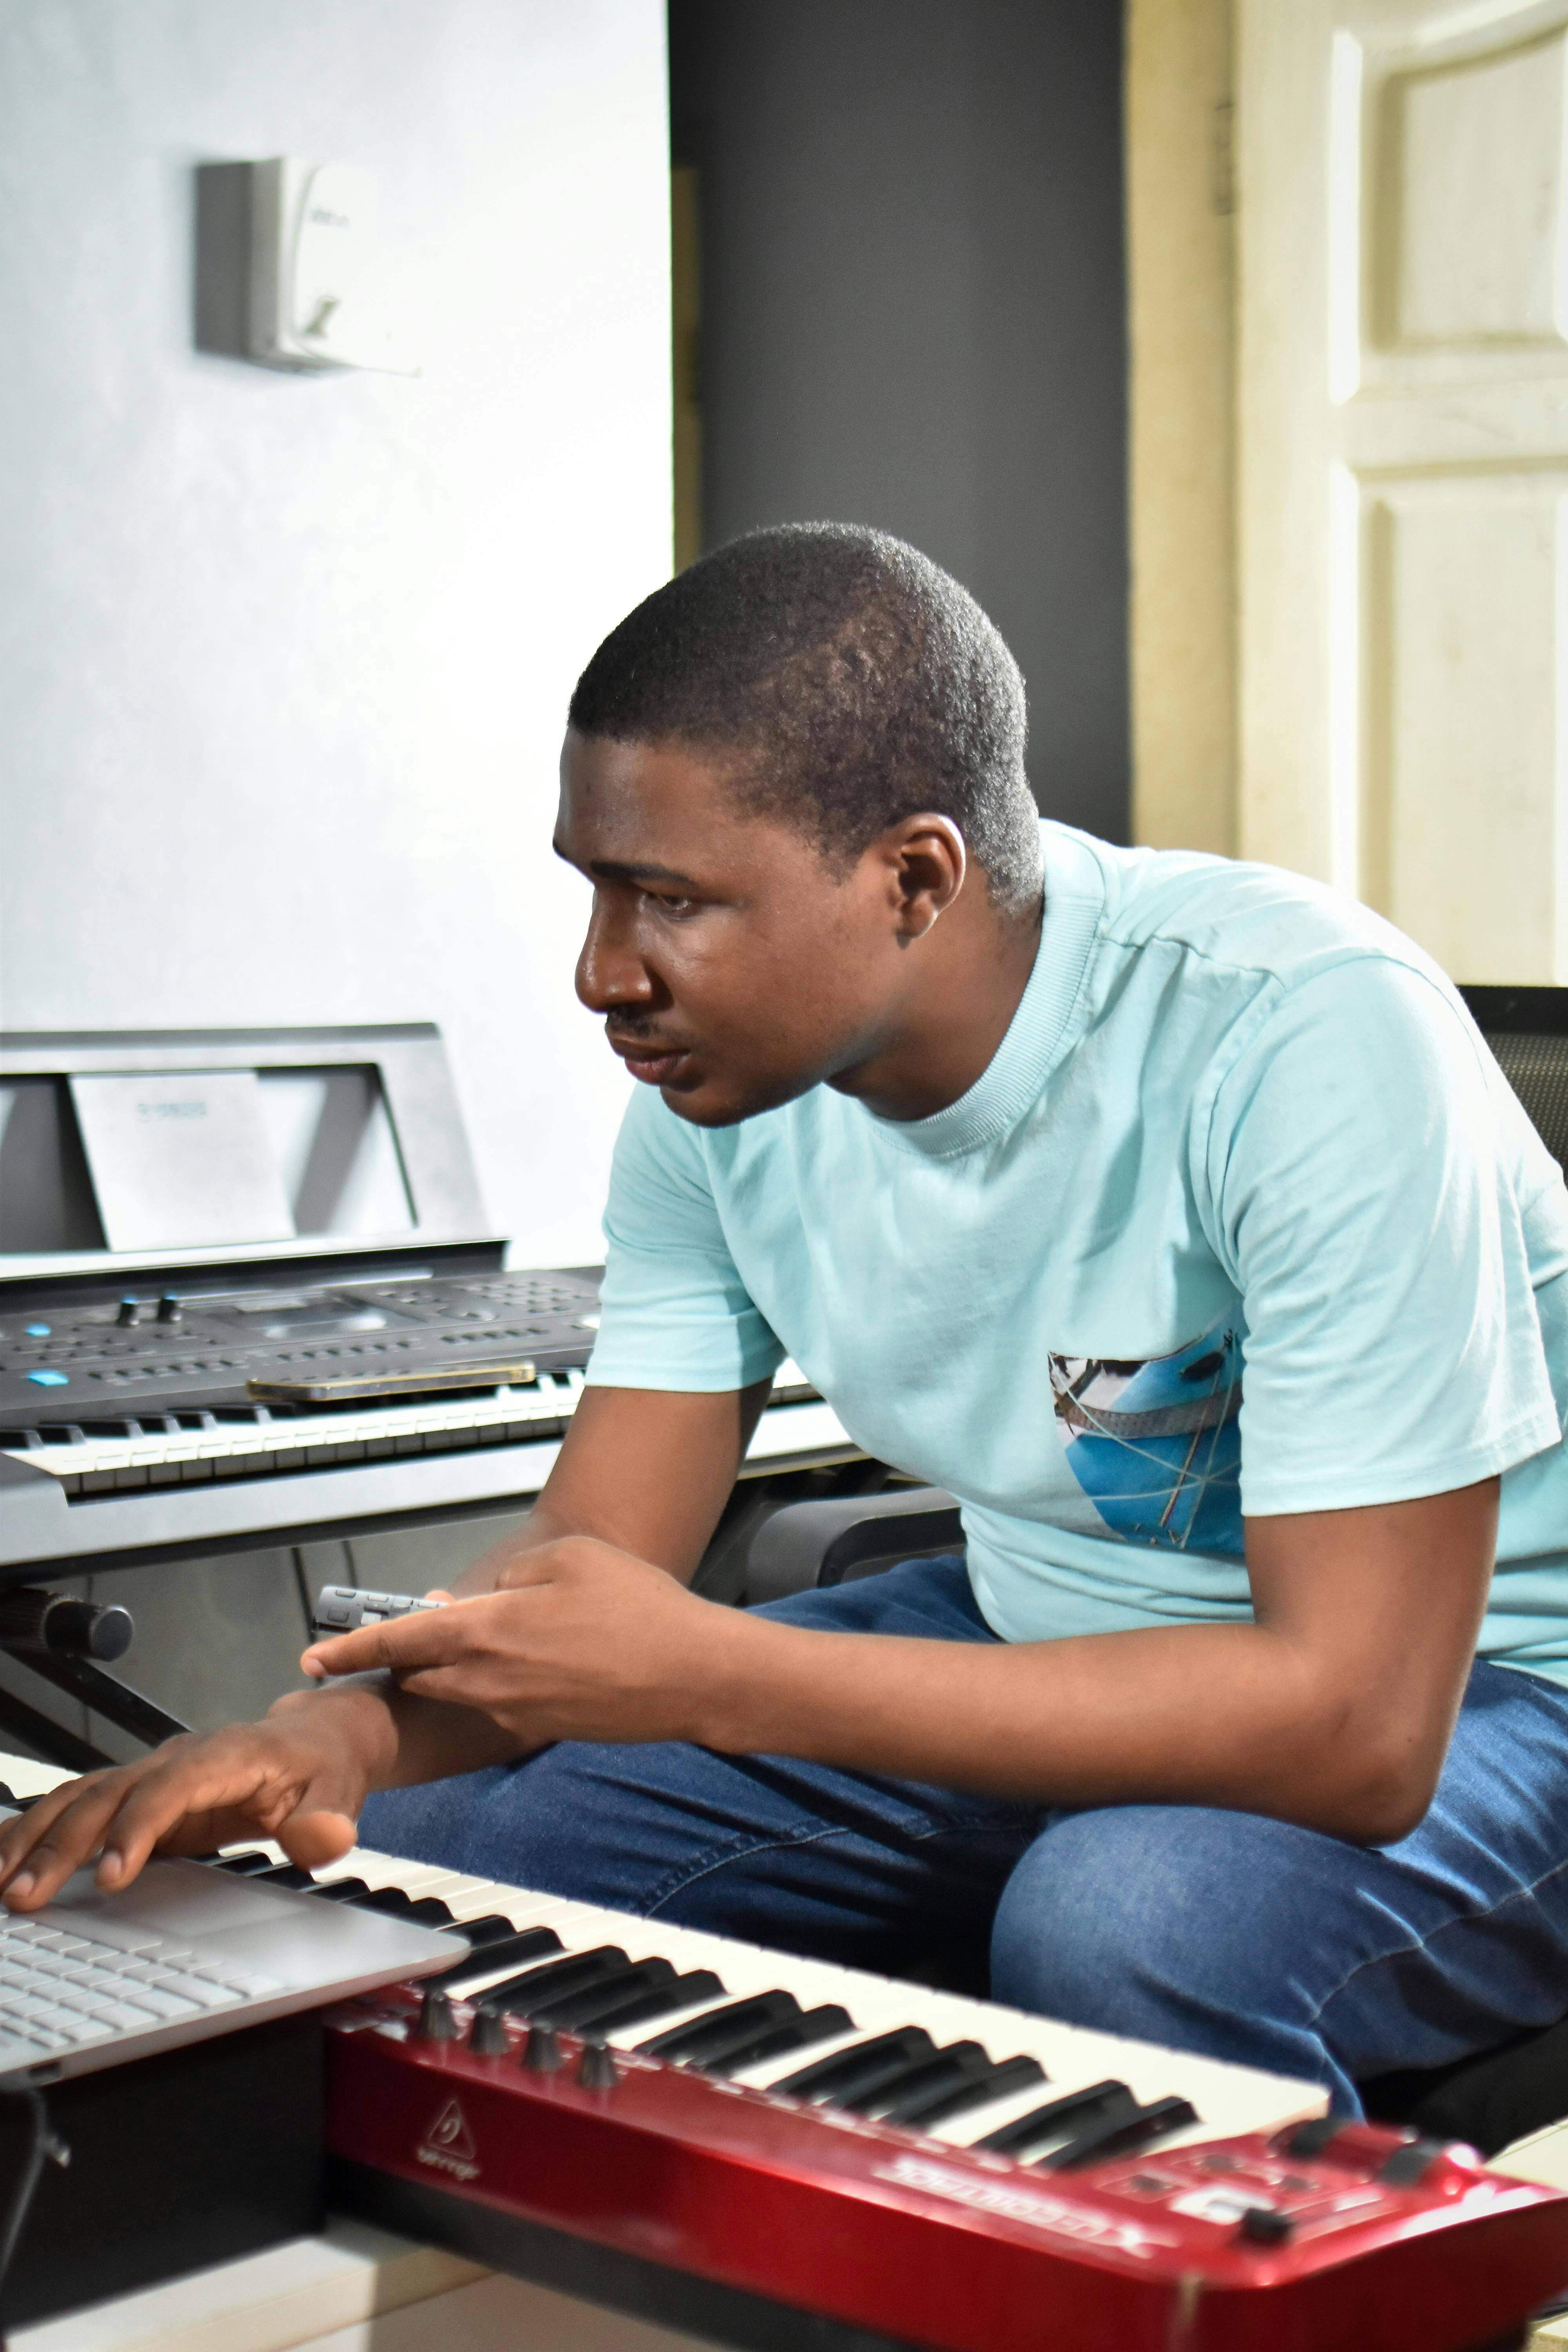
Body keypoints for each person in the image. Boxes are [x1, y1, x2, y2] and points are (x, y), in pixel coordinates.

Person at [9, 524, 1568, 2115]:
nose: (601, 971)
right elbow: (594, 1560)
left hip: (1500, 1691)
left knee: (1127, 1922)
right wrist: (329, 1740)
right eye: (596, 890)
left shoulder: (1301, 1036)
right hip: (1034, 1634)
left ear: (912, 876)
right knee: (424, 1864)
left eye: (670, 899)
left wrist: (711, 1675)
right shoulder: (711, 1104)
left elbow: (1358, 1732)